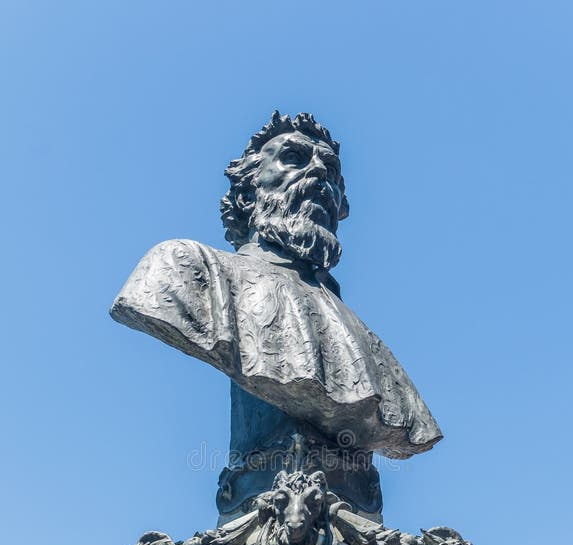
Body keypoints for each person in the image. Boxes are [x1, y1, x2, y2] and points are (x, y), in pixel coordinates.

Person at [111, 112, 442, 516]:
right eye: (295, 158)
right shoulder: (185, 268)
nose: (320, 172)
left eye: (332, 171)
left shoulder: (367, 342)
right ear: (248, 196)